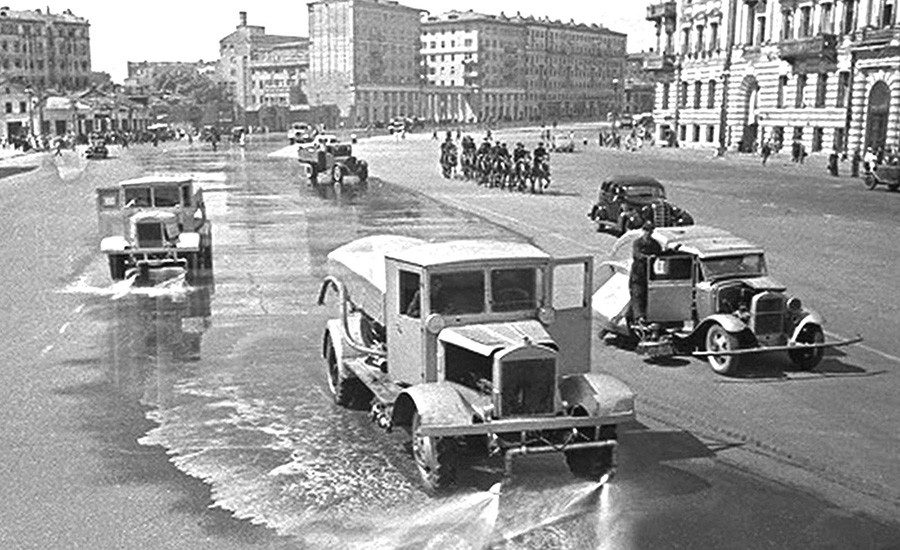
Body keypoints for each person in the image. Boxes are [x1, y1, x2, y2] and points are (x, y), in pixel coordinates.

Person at [630, 220, 662, 325]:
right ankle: (639, 317)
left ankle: (649, 316)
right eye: (647, 230)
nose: (648, 233)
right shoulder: (637, 243)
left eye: (650, 231)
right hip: (637, 273)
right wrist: (648, 257)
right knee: (637, 294)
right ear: (643, 230)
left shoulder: (655, 244)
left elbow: (660, 253)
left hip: (649, 274)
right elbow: (637, 254)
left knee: (649, 295)